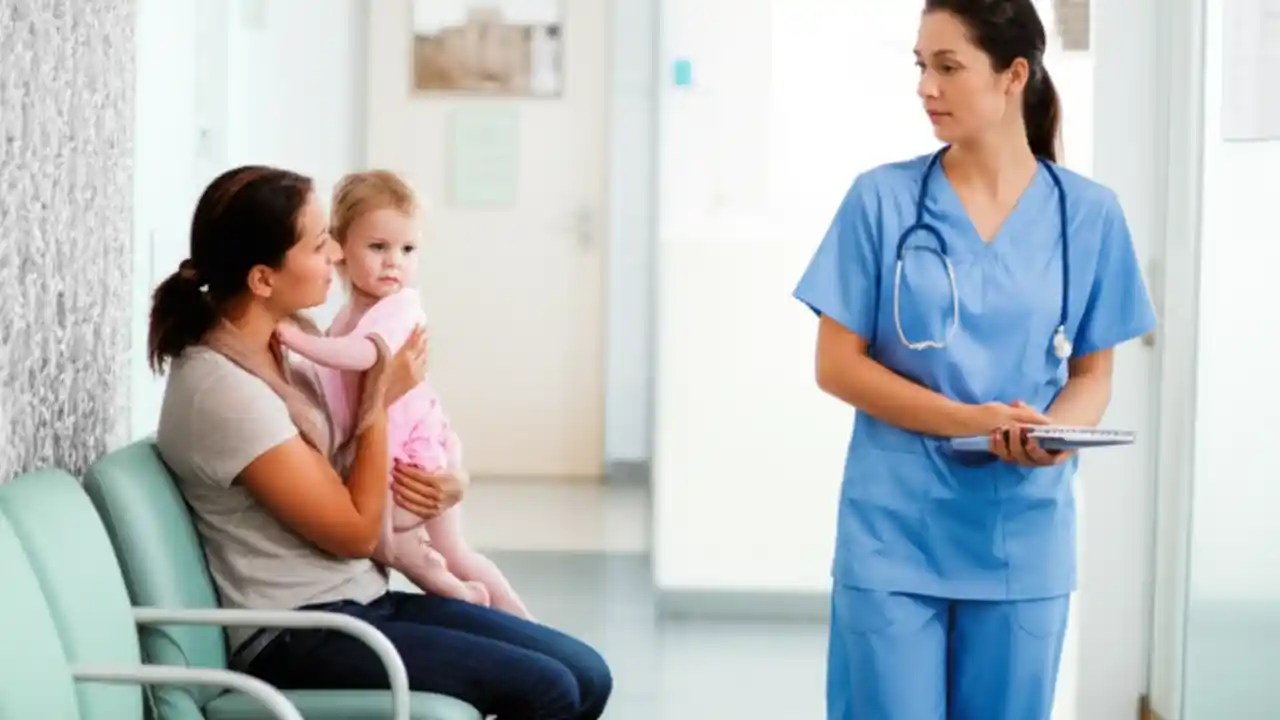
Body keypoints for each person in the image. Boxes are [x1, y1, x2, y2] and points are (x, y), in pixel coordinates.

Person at [793, 2, 1156, 718]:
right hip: (894, 533)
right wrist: (967, 418)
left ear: (1013, 74)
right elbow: (837, 366)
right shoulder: (882, 201)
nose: (926, 86)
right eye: (922, 66)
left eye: (948, 67)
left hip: (1022, 538)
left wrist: (1053, 439)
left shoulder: (1088, 214)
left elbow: (1092, 374)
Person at [150, 165, 611, 719]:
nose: (337, 258)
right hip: (298, 632)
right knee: (549, 691)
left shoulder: (294, 347)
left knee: (588, 673)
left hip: (358, 600)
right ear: (262, 279)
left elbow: (364, 459)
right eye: (321, 245)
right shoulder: (222, 389)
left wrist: (449, 480)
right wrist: (379, 399)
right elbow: (355, 531)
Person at [276, 169, 531, 619]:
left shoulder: (400, 307)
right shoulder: (348, 315)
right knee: (450, 551)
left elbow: (360, 357)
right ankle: (497, 611)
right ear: (339, 248)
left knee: (407, 547)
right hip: (403, 447)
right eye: (378, 248)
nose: (394, 262)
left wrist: (293, 339)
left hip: (413, 451)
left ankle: (489, 608)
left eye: (407, 249)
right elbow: (332, 378)